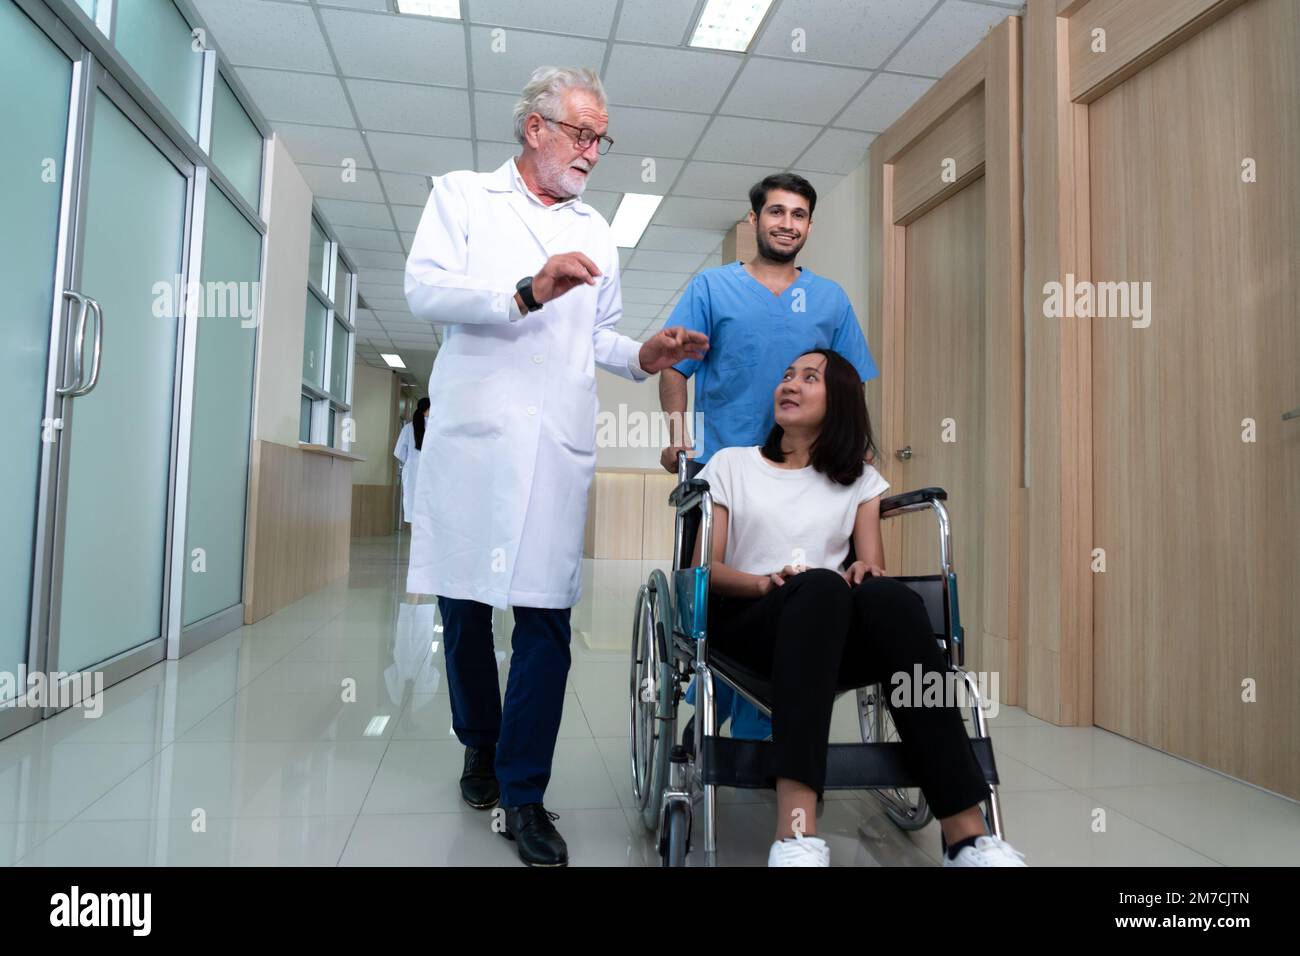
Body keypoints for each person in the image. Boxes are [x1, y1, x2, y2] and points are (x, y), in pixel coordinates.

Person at [403, 65, 708, 867]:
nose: (593, 151)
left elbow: (597, 336)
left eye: (601, 138)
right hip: (476, 443)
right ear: (534, 128)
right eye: (582, 133)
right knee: (465, 610)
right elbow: (424, 289)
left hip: (554, 451)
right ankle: (479, 741)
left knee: (545, 623)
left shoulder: (598, 229)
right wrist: (525, 292)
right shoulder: (464, 197)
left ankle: (525, 793)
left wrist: (644, 353)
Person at [695, 348, 1026, 868]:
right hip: (751, 618)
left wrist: (861, 572)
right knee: (820, 587)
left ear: (841, 401)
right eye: (787, 376)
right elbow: (705, 570)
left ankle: (968, 838)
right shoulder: (732, 465)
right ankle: (796, 833)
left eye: (809, 378)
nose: (791, 384)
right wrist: (765, 584)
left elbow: (872, 565)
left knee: (886, 596)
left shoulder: (859, 481)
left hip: (825, 626)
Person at [660, 172, 878, 739]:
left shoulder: (830, 300)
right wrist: (679, 437)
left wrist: (860, 453)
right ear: (754, 220)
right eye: (776, 212)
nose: (787, 223)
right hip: (724, 476)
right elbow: (673, 367)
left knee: (805, 592)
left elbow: (852, 384)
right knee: (715, 600)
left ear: (809, 225)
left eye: (799, 214)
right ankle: (723, 708)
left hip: (812, 477)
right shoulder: (712, 289)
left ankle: (762, 724)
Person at [392, 397, 430, 525]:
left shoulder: (408, 427)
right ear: (429, 409)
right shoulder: (435, 427)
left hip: (412, 469)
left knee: (412, 503)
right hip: (430, 470)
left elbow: (398, 452)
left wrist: (410, 460)